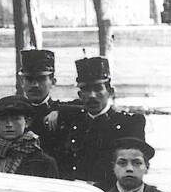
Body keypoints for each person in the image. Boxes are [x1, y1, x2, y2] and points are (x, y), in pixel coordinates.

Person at [53, 56, 146, 185]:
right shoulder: (74, 121)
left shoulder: (129, 124)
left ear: (110, 92)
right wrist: (57, 111)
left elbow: (133, 169)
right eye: (86, 90)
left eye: (98, 89)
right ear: (80, 96)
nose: (92, 96)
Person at [0, 95, 59, 177]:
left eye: (15, 119)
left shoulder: (44, 163)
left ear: (27, 122)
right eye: (3, 119)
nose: (9, 124)